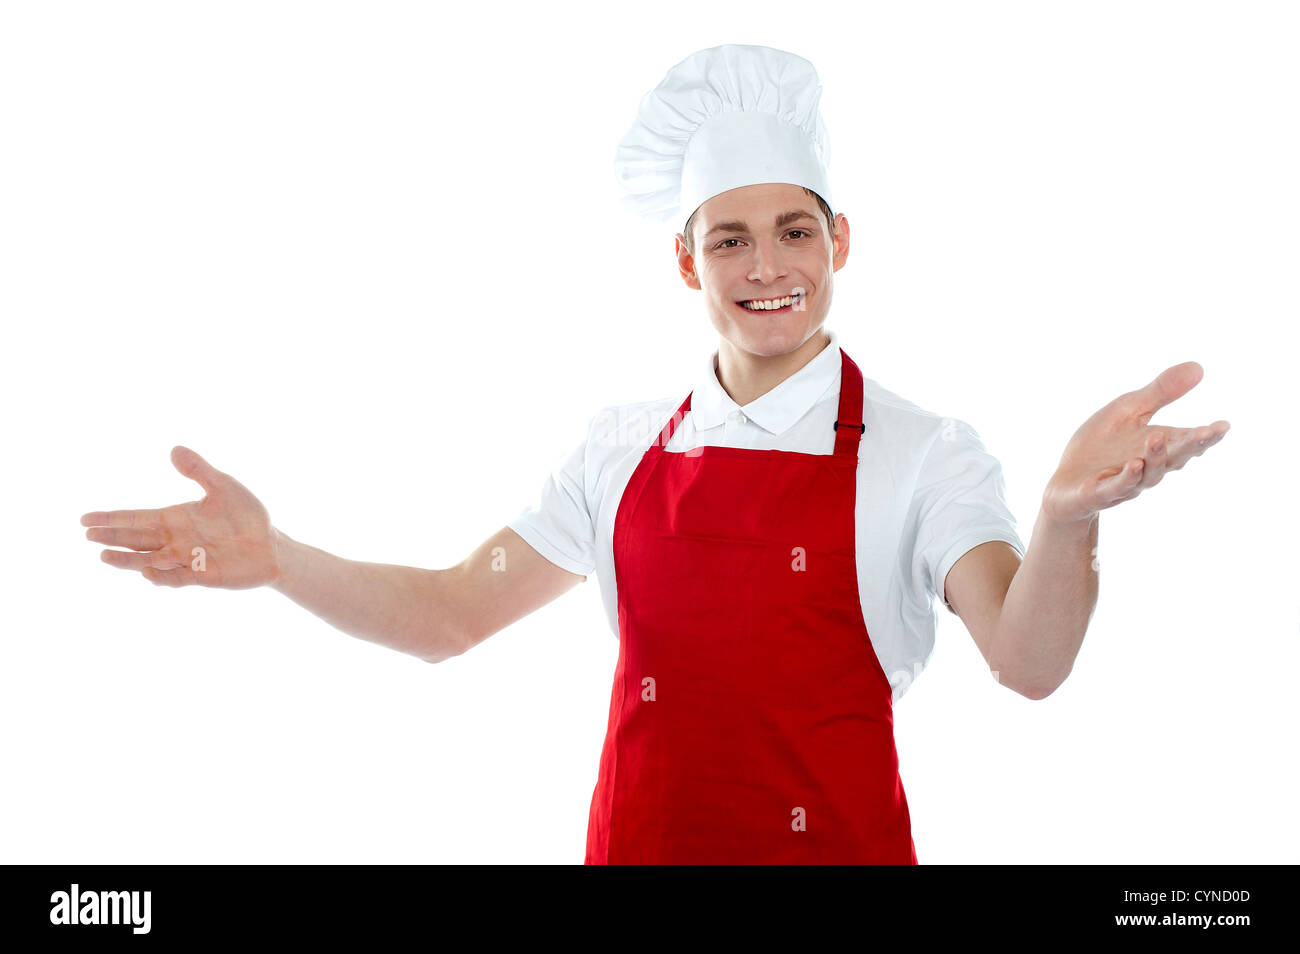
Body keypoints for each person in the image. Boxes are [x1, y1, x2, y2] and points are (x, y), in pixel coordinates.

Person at [81, 44, 1229, 865]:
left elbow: (1026, 663)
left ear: (839, 241)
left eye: (793, 231)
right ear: (689, 263)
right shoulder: (622, 447)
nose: (766, 265)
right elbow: (445, 617)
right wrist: (279, 558)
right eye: (729, 239)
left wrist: (1067, 519)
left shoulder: (924, 454)